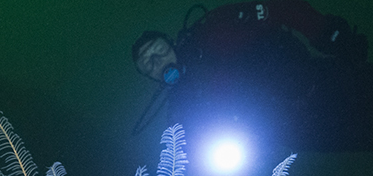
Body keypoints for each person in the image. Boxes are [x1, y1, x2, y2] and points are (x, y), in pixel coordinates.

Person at [131, 2, 372, 155]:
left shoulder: (213, 31)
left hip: (322, 84)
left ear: (172, 43)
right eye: (147, 64)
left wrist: (326, 32)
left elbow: (278, 9)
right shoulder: (180, 110)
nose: (157, 62)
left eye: (159, 50)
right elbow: (191, 154)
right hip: (302, 132)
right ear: (149, 77)